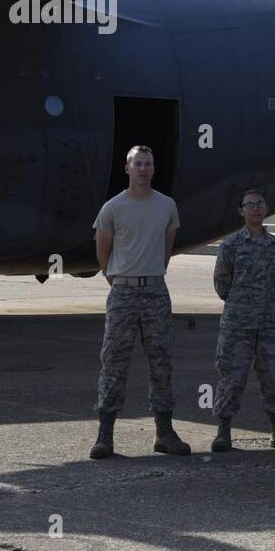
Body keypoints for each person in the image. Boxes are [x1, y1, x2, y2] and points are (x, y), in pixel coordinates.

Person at [89, 144, 190, 459]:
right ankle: (105, 435)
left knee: (161, 362)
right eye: (138, 164)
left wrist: (150, 276)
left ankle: (165, 432)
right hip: (123, 292)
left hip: (156, 291)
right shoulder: (112, 208)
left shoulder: (167, 206)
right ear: (127, 168)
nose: (143, 169)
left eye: (148, 164)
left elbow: (165, 249)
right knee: (114, 363)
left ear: (154, 168)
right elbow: (102, 254)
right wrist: (120, 280)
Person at [210, 189, 275, 452]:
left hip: (270, 324)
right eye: (250, 205)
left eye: (260, 204)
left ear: (266, 209)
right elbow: (222, 284)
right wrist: (242, 305)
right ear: (241, 211)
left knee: (274, 377)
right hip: (238, 324)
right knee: (231, 378)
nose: (256, 208)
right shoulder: (231, 246)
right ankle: (223, 432)